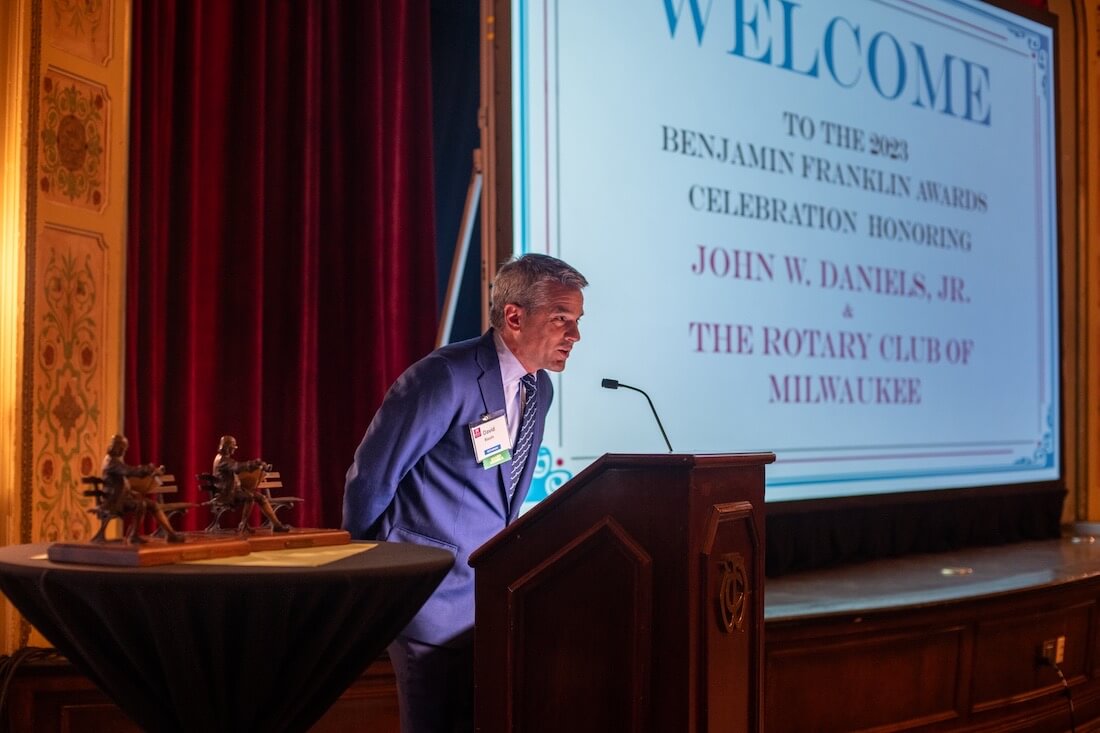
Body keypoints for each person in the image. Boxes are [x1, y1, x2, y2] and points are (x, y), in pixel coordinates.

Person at [343, 253, 587, 732]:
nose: (575, 337)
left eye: (577, 322)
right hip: (425, 601)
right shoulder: (444, 376)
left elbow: (500, 492)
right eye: (562, 320)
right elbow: (371, 477)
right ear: (514, 316)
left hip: (487, 603)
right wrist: (372, 579)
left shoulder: (540, 390)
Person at [212, 435, 290, 533]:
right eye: (233, 447)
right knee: (249, 497)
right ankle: (243, 524)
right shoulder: (223, 461)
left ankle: (277, 525)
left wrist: (253, 465)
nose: (234, 450)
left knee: (261, 498)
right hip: (227, 493)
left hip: (231, 490)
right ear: (227, 447)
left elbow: (237, 467)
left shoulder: (223, 459)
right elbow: (237, 467)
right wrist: (253, 464)